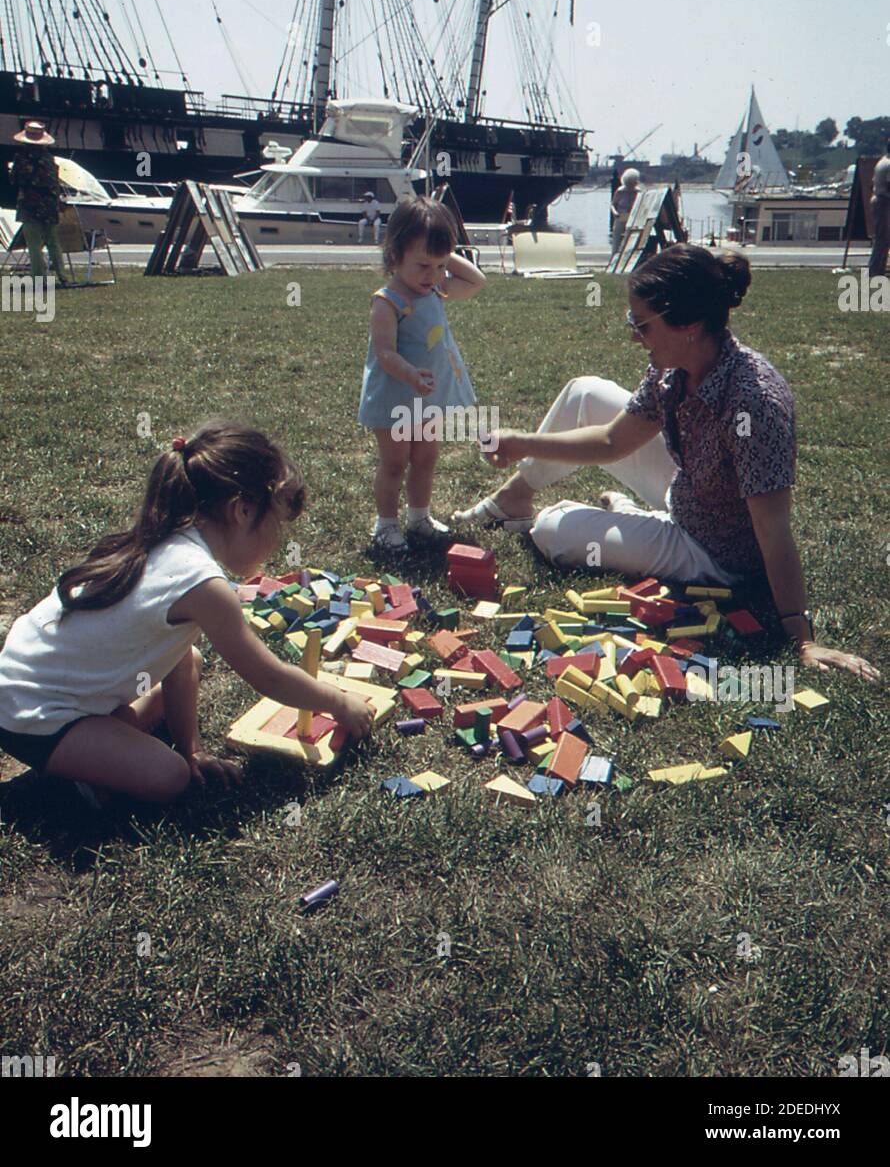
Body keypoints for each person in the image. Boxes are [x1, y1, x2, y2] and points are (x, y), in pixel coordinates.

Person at [454, 244, 879, 681]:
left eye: (642, 325)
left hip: (716, 551)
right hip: (689, 491)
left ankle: (629, 517)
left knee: (550, 530)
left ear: (690, 326)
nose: (634, 336)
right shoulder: (671, 369)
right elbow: (611, 441)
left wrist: (801, 637)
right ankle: (514, 500)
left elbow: (772, 529)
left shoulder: (755, 404)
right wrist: (522, 441)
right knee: (585, 392)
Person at [0, 423, 375, 804]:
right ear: (243, 511)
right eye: (277, 525)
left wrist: (191, 748)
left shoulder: (166, 539)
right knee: (169, 777)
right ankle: (83, 775)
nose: (278, 542)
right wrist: (339, 702)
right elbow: (271, 678)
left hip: (39, 686)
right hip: (32, 714)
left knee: (188, 659)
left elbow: (178, 658)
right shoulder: (202, 584)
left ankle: (102, 744)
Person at [359, 194, 485, 552]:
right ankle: (385, 525)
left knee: (426, 458)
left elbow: (477, 282)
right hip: (396, 396)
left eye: (440, 265)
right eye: (423, 265)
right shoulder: (388, 300)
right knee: (395, 463)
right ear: (395, 255)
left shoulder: (435, 286)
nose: (433, 275)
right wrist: (411, 374)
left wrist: (441, 252)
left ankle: (419, 517)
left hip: (426, 397)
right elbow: (384, 352)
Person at [11, 120, 67, 283]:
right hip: (49, 204)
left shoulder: (21, 158)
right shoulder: (49, 159)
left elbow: (15, 180)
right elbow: (54, 182)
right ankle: (62, 275)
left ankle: (39, 277)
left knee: (34, 244)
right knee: (53, 242)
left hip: (29, 203)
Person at [868, 136, 890, 279]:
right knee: (883, 238)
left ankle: (877, 269)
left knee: (882, 238)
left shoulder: (882, 161)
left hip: (879, 199)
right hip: (885, 201)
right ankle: (875, 269)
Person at [609, 167, 640, 256]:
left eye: (632, 183)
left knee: (631, 239)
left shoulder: (638, 191)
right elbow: (613, 204)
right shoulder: (620, 191)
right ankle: (614, 256)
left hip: (634, 218)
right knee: (617, 238)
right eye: (629, 183)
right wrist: (615, 213)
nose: (631, 186)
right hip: (621, 217)